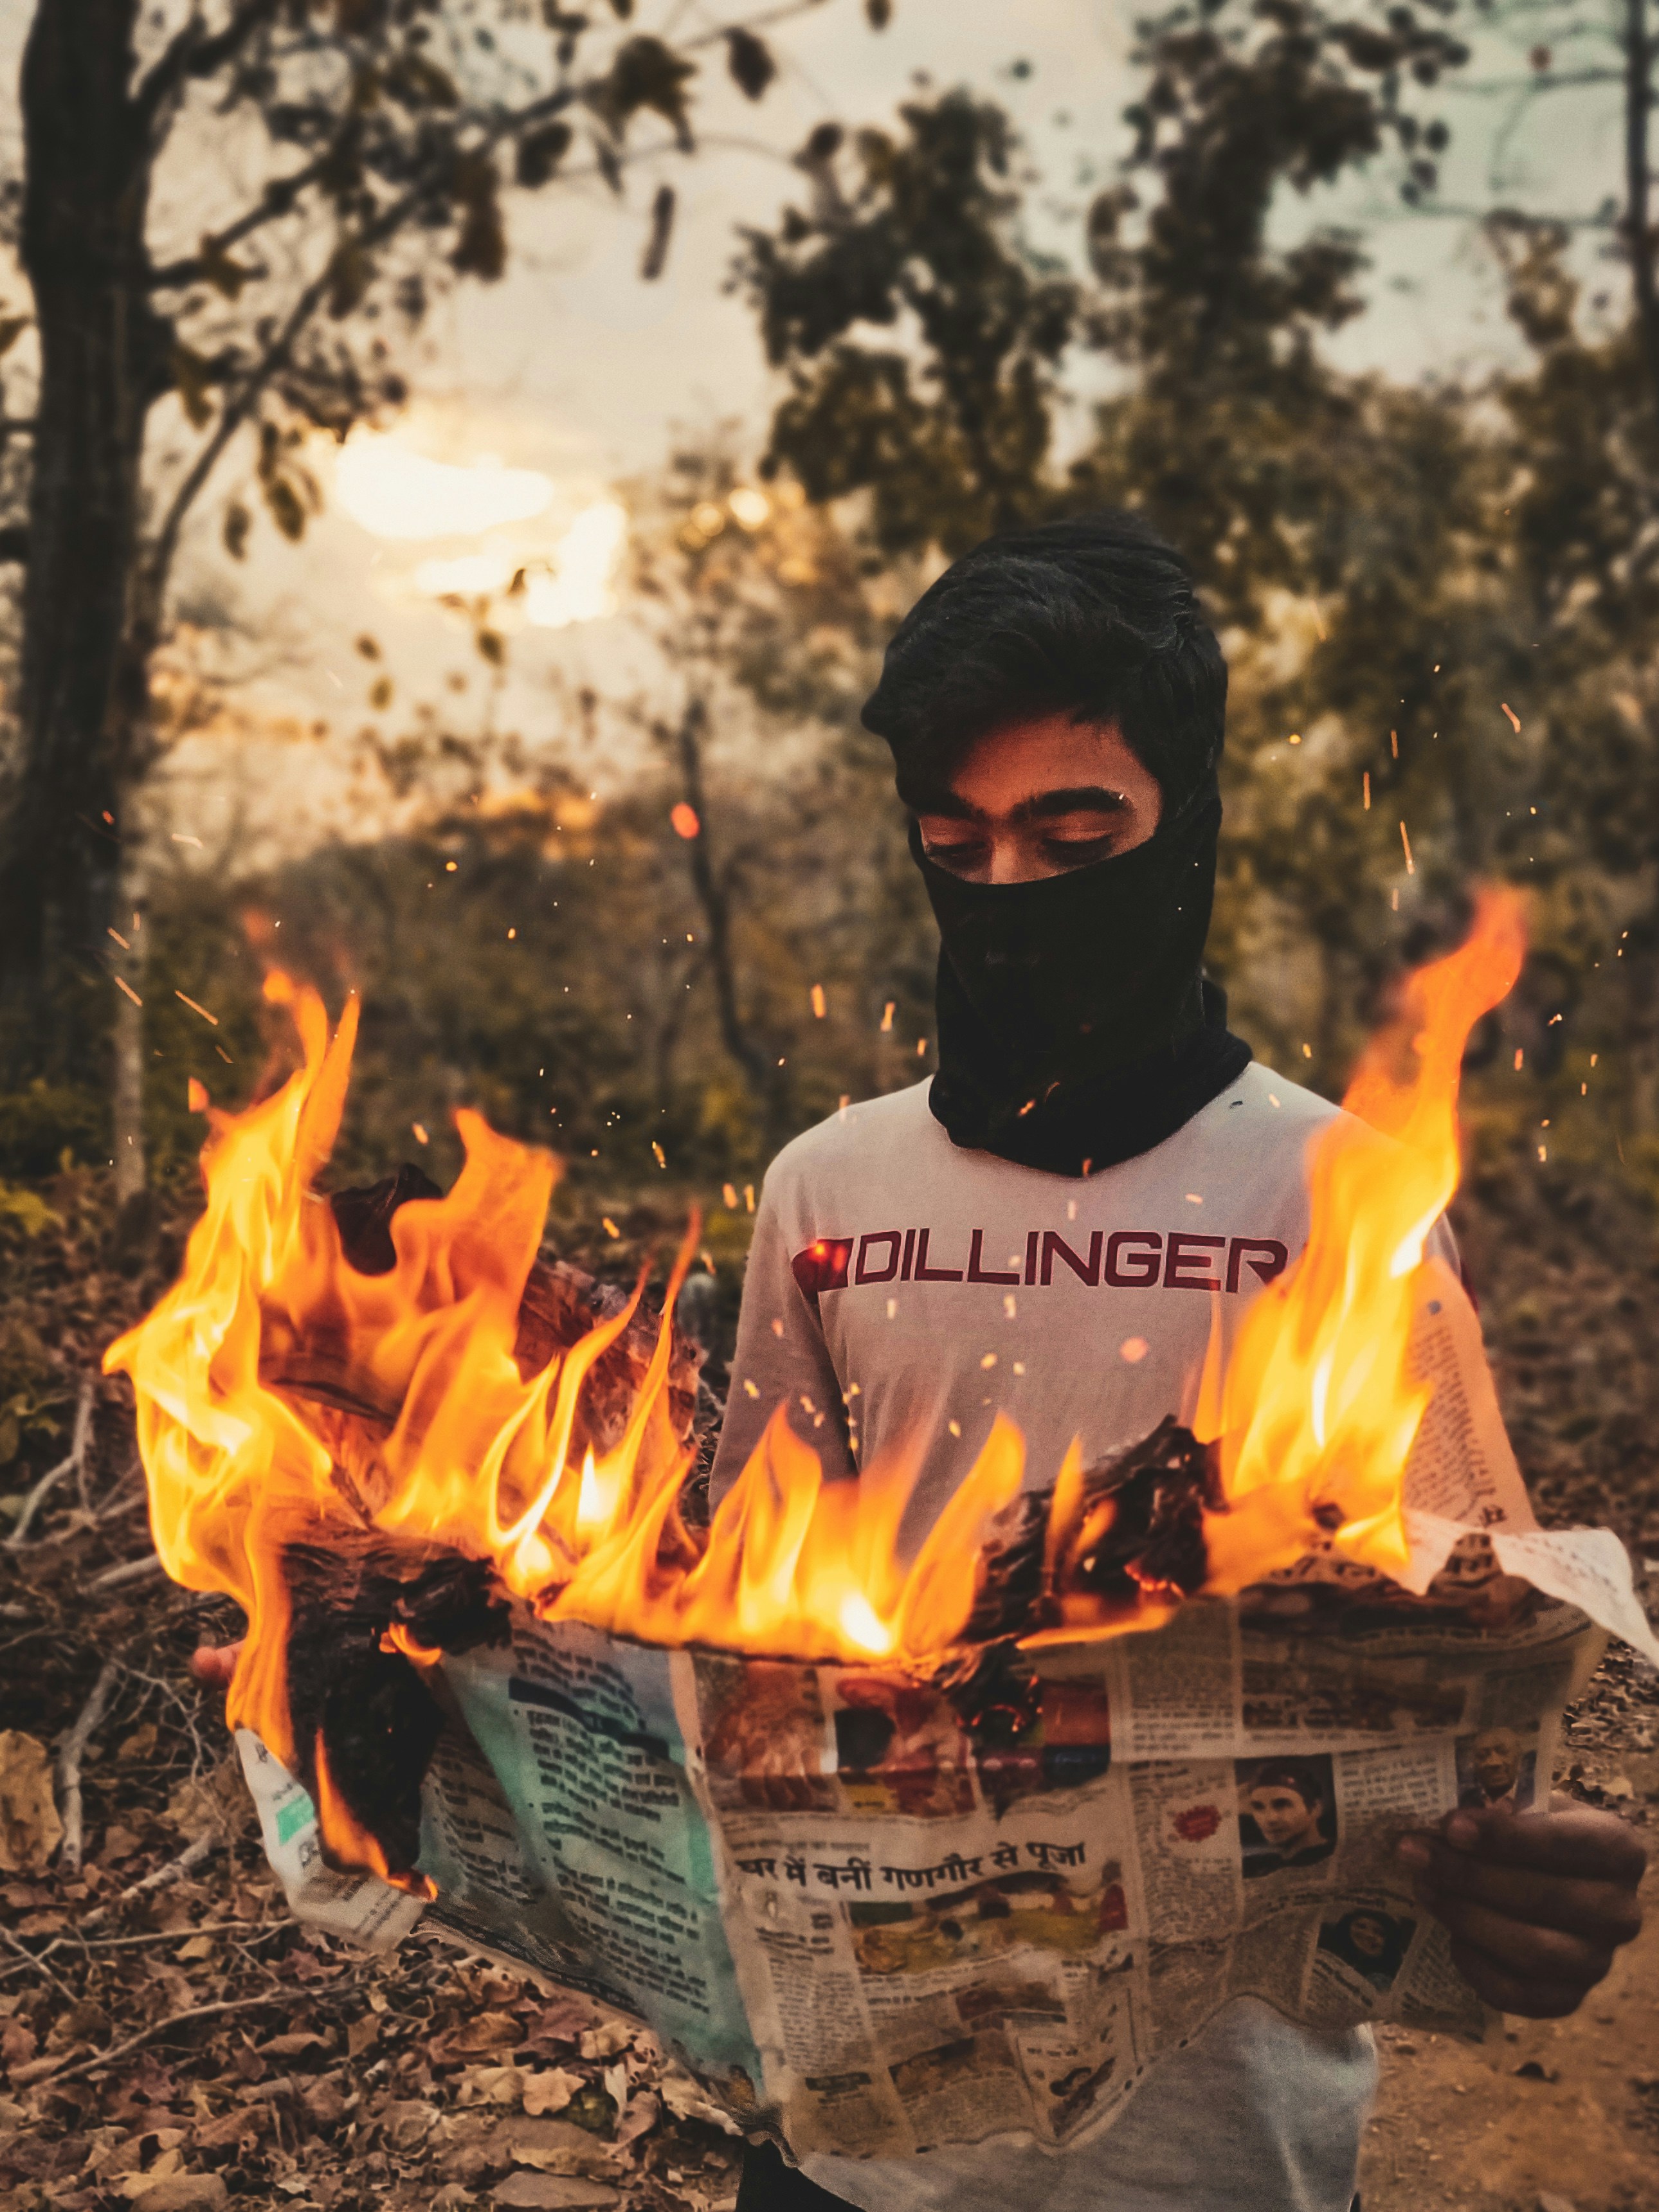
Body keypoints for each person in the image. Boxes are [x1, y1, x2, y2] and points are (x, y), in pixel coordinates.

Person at [706, 512, 1648, 2212]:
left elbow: (1464, 1686)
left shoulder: (1343, 1196)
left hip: (1217, 2164)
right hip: (859, 2158)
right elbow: (724, 1646)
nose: (1006, 894)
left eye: (1074, 835)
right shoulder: (820, 1190)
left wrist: (1532, 1876)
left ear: (1184, 827)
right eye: (955, 841)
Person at [1239, 1759, 1336, 1878]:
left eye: (1282, 1804)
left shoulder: (1336, 1855)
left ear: (1316, 1809)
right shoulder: (1261, 1864)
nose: (1270, 1819)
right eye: (1258, 1807)